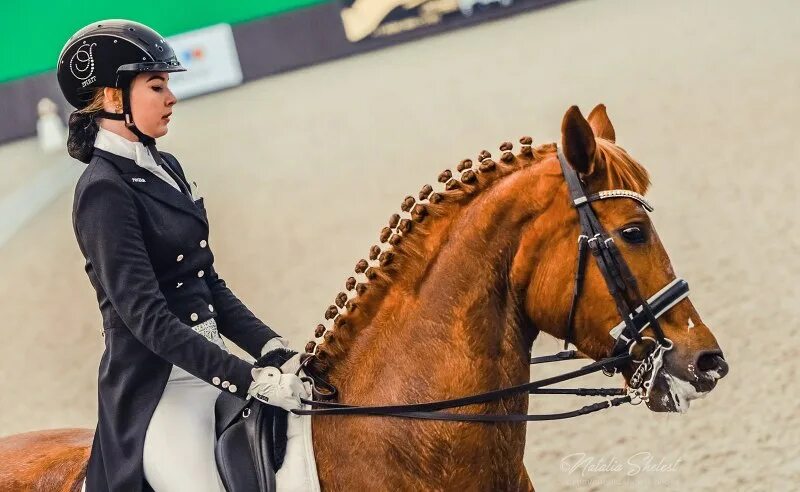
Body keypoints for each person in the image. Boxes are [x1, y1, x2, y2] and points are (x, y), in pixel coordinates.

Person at [57, 20, 309, 492]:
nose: (171, 97)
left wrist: (272, 349)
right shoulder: (103, 191)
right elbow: (147, 319)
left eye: (169, 84)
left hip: (209, 366)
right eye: (157, 85)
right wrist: (248, 377)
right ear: (113, 99)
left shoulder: (166, 166)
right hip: (160, 390)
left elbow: (207, 281)